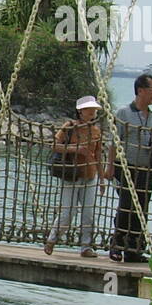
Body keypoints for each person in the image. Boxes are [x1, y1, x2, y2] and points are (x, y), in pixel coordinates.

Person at [44, 95, 105, 257]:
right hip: (71, 174)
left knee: (88, 213)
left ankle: (86, 246)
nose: (92, 112)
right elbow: (55, 146)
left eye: (94, 110)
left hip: (90, 174)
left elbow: (98, 154)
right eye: (88, 110)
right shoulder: (69, 127)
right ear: (80, 111)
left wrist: (102, 178)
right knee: (68, 212)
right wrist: (76, 149)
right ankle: (52, 239)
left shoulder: (97, 130)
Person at [106, 74, 152, 262]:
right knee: (126, 206)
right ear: (141, 90)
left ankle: (135, 249)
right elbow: (113, 141)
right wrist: (110, 166)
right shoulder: (123, 113)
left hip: (145, 169)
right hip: (126, 166)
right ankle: (117, 245)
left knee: (142, 209)